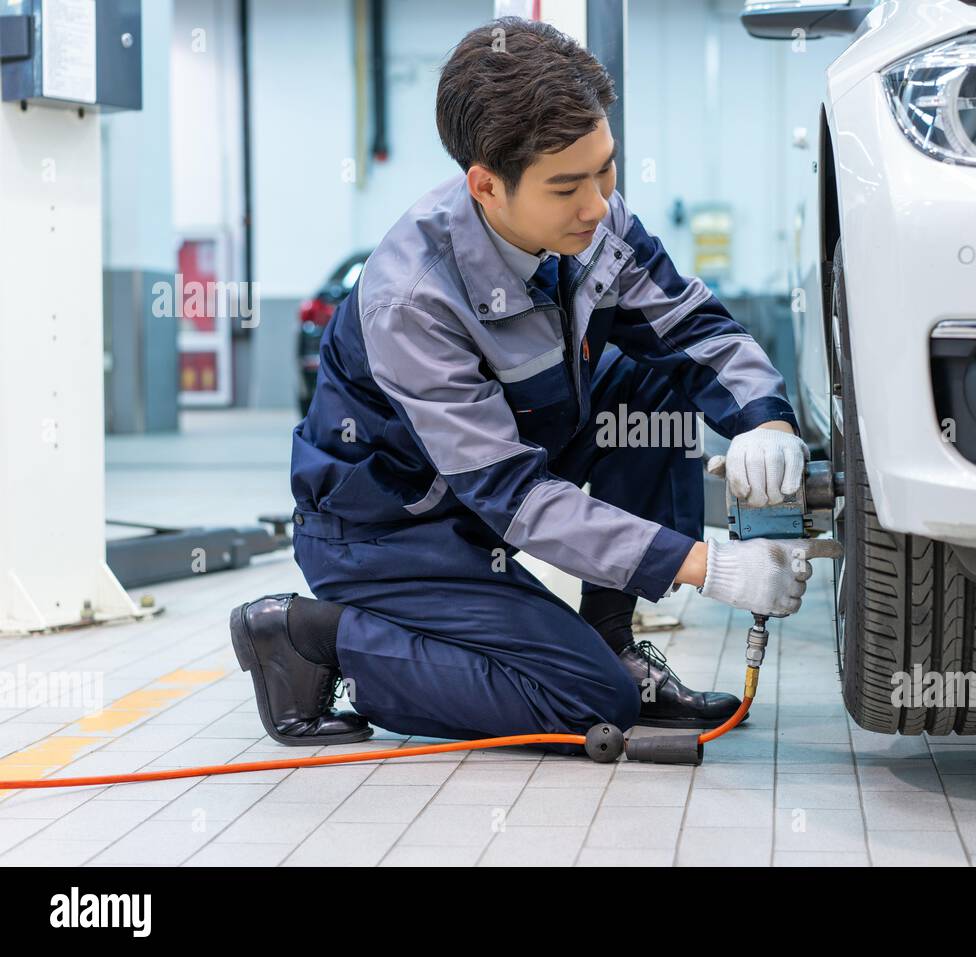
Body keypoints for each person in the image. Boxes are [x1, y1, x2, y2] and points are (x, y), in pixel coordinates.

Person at [229, 16, 838, 754]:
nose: (597, 203)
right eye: (566, 186)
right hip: (390, 533)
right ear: (486, 185)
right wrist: (709, 567)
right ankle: (317, 634)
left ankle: (612, 640)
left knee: (649, 388)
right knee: (590, 699)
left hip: (490, 484)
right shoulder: (413, 298)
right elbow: (515, 498)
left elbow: (691, 330)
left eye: (606, 168)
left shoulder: (593, 223)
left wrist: (765, 420)